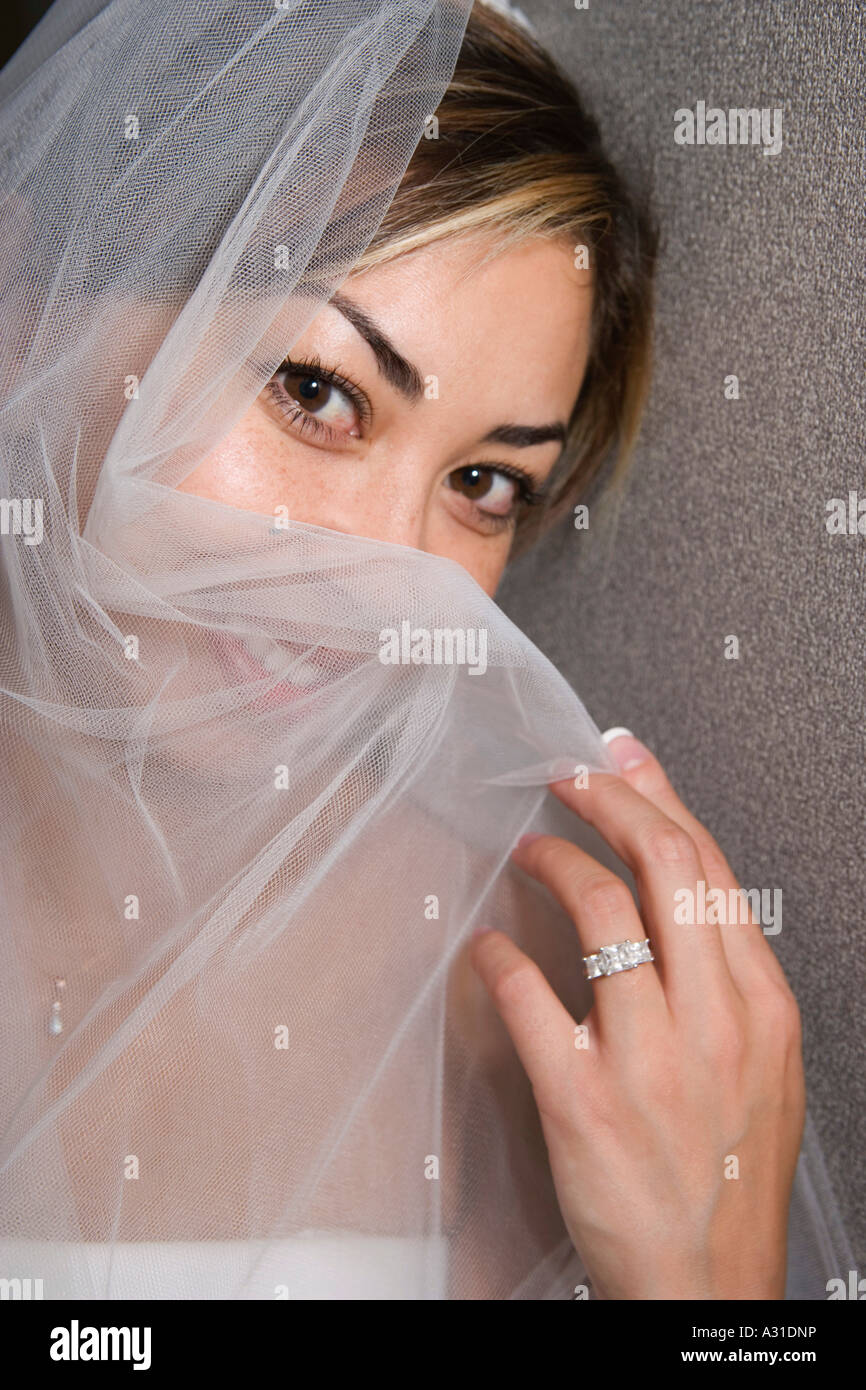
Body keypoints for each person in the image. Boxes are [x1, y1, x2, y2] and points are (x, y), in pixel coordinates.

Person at [0, 0, 851, 1299]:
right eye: (317, 390)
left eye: (483, 484)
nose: (389, 574)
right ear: (29, 303)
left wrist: (704, 1290)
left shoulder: (516, 992)